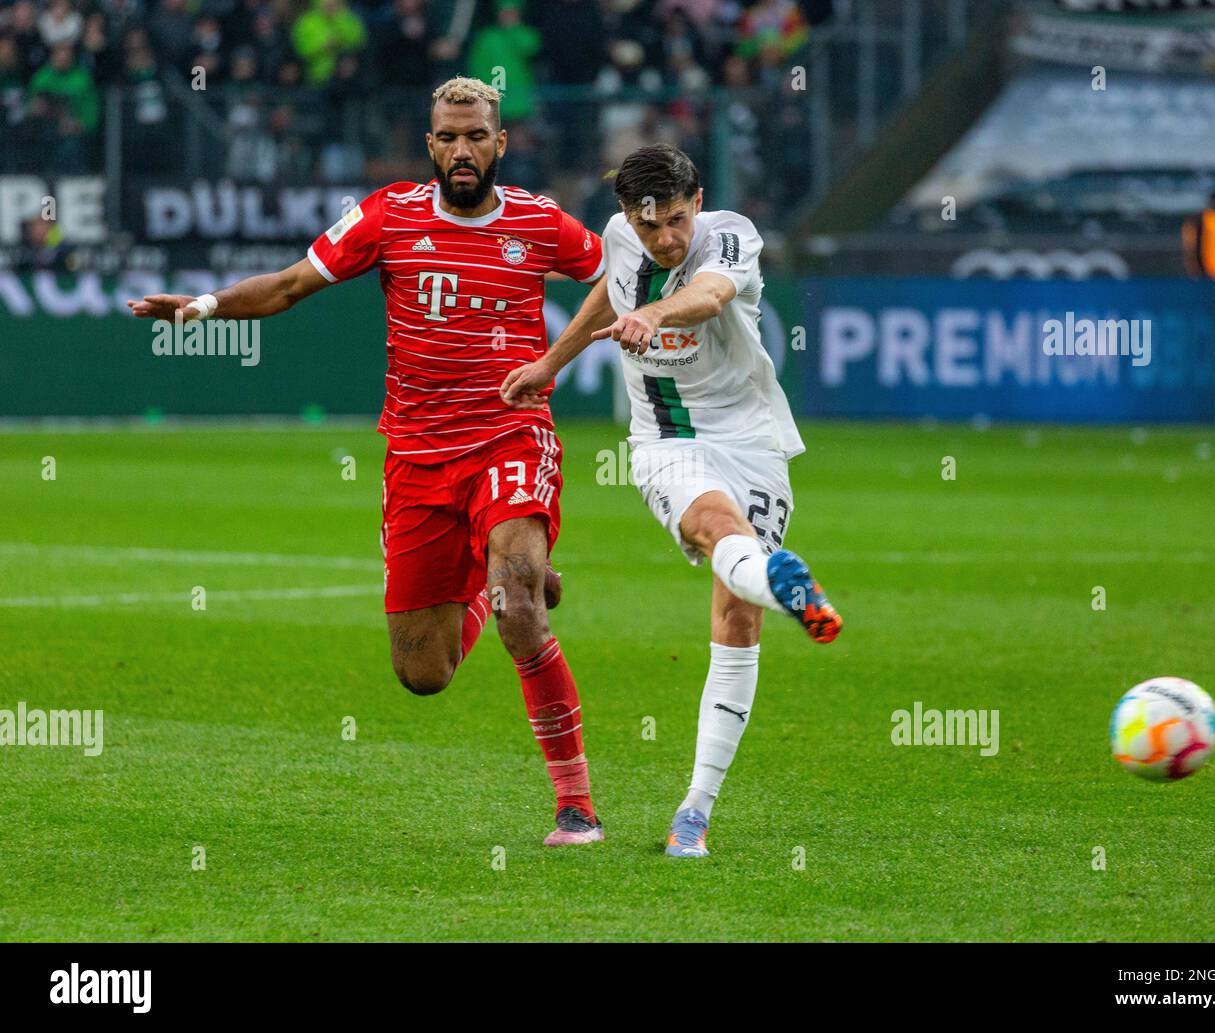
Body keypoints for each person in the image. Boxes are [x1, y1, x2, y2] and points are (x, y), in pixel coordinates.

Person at [127, 78, 609, 848]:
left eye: (476, 136)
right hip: (417, 458)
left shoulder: (541, 222)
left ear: (500, 143)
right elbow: (289, 285)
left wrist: (556, 356)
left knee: (523, 613)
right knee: (425, 674)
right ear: (429, 145)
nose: (462, 150)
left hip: (510, 436)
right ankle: (504, 574)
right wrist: (206, 306)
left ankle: (575, 806)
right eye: (448, 137)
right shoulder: (389, 216)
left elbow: (616, 278)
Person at [501, 144, 841, 859]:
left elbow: (711, 294)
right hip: (666, 442)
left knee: (737, 612)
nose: (666, 238)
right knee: (719, 527)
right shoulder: (622, 236)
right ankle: (786, 581)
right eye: (651, 225)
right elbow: (608, 287)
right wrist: (549, 362)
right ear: (628, 214)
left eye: (678, 220)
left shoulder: (732, 233)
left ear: (699, 198)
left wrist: (655, 315)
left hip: (751, 437)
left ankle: (695, 808)